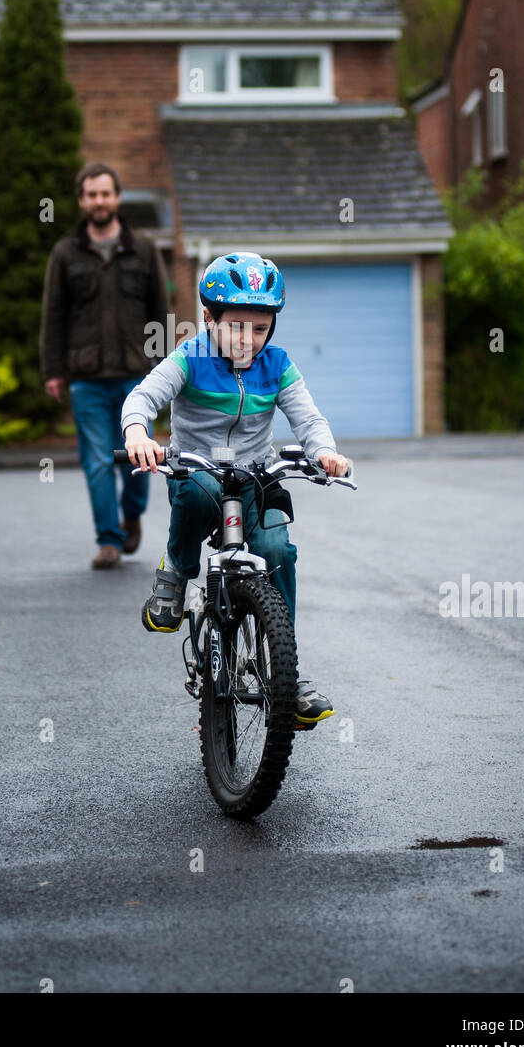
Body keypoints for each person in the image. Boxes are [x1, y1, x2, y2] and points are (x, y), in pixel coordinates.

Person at [121, 250, 350, 728]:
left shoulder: (278, 364)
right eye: (236, 327)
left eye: (260, 328)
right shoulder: (190, 357)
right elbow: (143, 396)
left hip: (254, 477)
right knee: (196, 492)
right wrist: (139, 433)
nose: (248, 340)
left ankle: (283, 671)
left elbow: (307, 418)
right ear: (209, 317)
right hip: (198, 470)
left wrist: (324, 451)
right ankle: (176, 575)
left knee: (276, 548)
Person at [40, 162, 169, 569]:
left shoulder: (144, 248)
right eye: (91, 194)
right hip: (87, 378)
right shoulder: (65, 253)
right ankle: (109, 540)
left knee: (140, 457)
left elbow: (160, 312)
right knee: (96, 460)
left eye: (106, 193)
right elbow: (53, 315)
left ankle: (131, 516)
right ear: (82, 200)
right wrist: (53, 370)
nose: (99, 201)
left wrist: (165, 369)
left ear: (117, 197)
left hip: (137, 376)